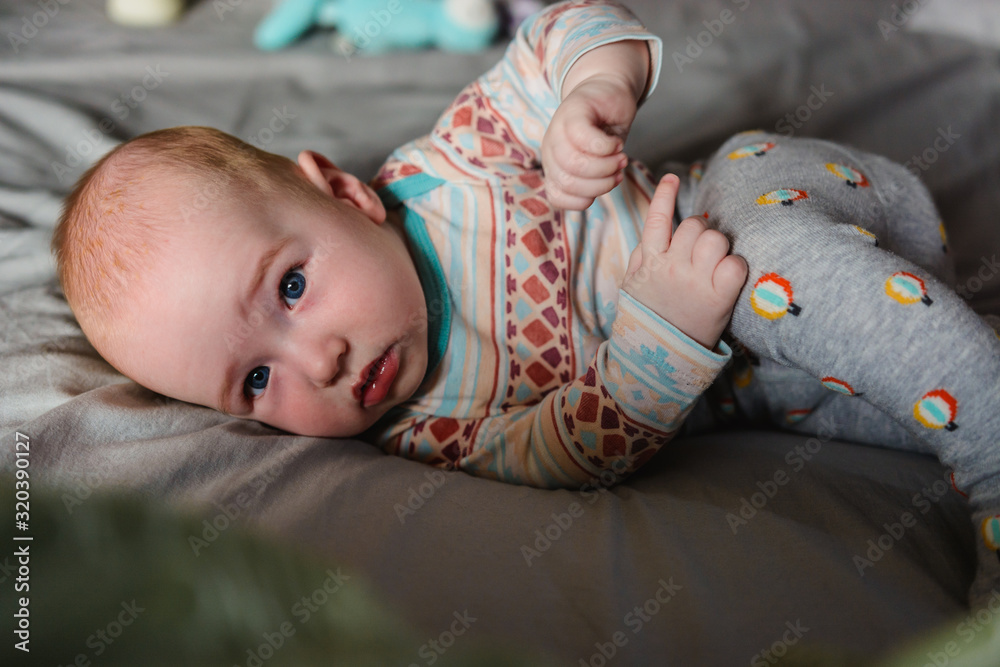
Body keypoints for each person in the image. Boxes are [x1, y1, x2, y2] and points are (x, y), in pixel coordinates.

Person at [52, 0, 999, 606]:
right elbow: (571, 451)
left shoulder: (453, 168)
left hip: (751, 205)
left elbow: (559, 34)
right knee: (895, 404)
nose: (320, 361)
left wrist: (592, 91)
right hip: (778, 380)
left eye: (292, 287)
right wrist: (661, 330)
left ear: (342, 193)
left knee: (770, 267)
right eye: (257, 379)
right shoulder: (425, 432)